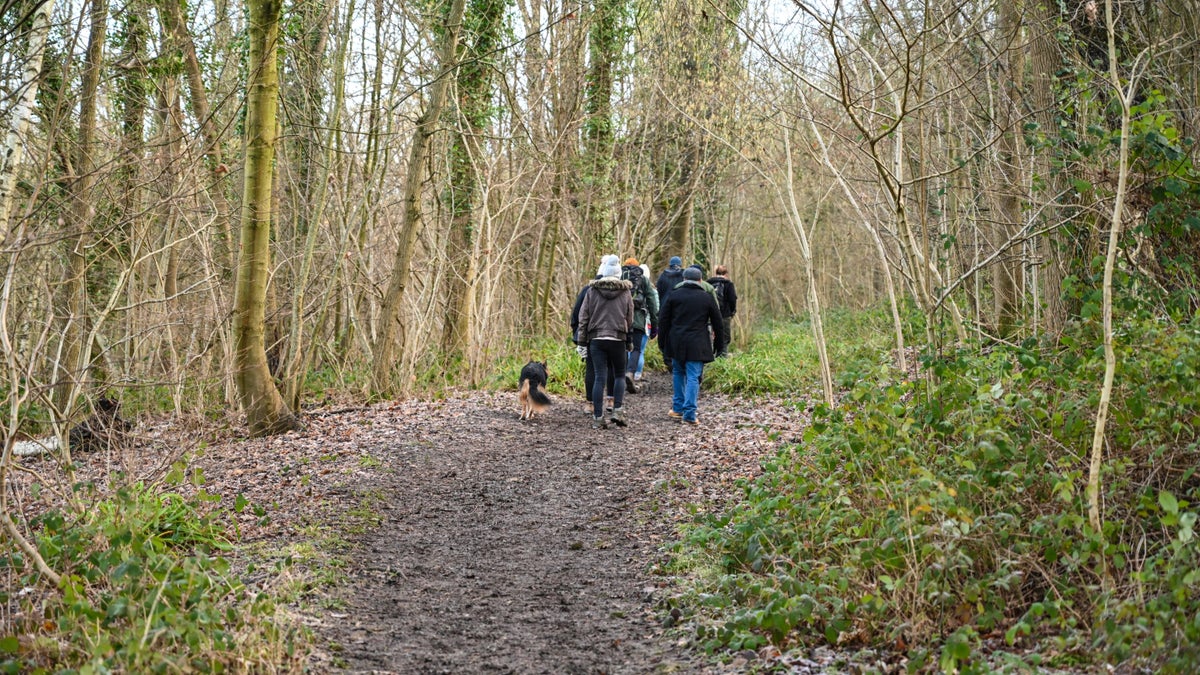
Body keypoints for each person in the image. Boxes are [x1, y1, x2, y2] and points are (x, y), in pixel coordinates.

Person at [658, 266, 724, 426]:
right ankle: (689, 413)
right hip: (697, 342)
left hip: (676, 341)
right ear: (700, 280)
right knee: (693, 376)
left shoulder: (674, 296)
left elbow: (663, 320)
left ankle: (678, 408)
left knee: (678, 373)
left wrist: (662, 342)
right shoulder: (706, 297)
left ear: (684, 279)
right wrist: (719, 345)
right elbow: (718, 323)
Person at [576, 255, 634, 429]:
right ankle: (617, 410)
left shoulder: (592, 291)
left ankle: (597, 417)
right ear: (618, 274)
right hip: (618, 338)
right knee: (618, 374)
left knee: (599, 377)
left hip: (596, 339)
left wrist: (581, 342)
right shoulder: (625, 292)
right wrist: (629, 338)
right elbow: (629, 317)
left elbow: (583, 317)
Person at [620, 257, 658, 394]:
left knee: (622, 347)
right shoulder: (643, 280)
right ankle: (630, 373)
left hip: (620, 319)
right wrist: (654, 324)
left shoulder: (619, 276)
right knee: (636, 349)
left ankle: (619, 376)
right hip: (638, 319)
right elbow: (652, 302)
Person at [655, 256, 685, 370]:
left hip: (665, 307)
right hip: (679, 309)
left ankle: (668, 359)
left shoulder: (663, 276)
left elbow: (659, 292)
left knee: (666, 333)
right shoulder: (683, 275)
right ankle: (678, 357)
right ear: (680, 264)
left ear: (670, 264)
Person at [633, 263, 659, 382]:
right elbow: (656, 308)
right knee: (640, 350)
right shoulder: (652, 291)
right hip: (645, 324)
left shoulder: (630, 287)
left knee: (630, 350)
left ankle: (628, 372)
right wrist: (655, 326)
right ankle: (637, 374)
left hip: (629, 323)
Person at [707, 265, 738, 357]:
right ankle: (722, 356)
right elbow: (732, 299)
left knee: (710, 335)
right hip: (724, 315)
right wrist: (732, 311)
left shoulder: (708, 283)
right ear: (726, 274)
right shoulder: (729, 284)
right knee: (724, 337)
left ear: (716, 273)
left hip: (710, 315)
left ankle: (709, 356)